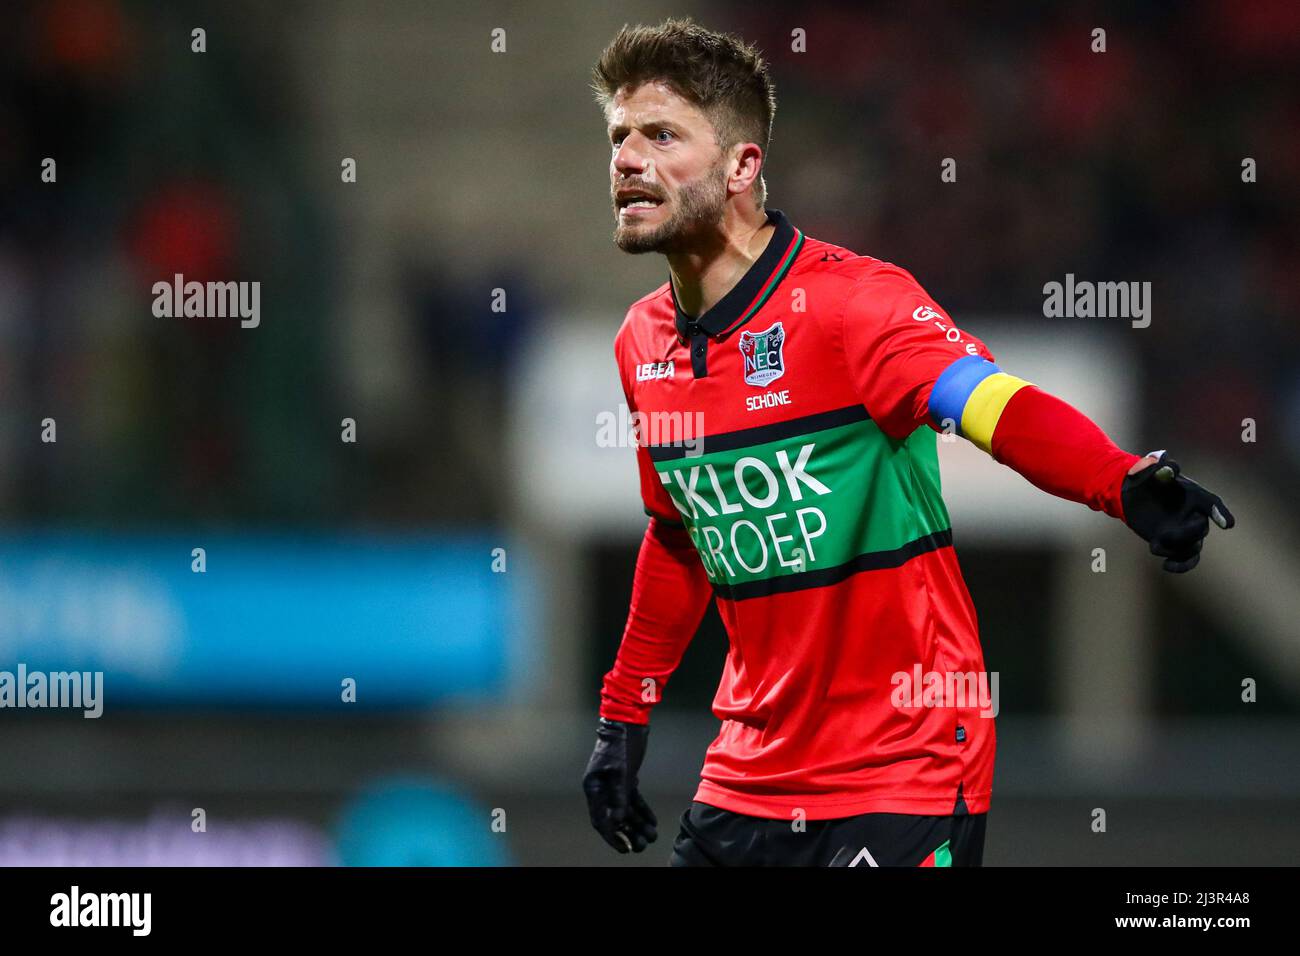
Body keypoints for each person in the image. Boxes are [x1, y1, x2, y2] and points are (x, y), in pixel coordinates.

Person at [581, 18, 1233, 867]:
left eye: (661, 134)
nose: (628, 158)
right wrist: (621, 718)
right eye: (619, 137)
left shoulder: (856, 305)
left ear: (742, 165)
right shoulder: (642, 343)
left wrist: (1121, 483)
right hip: (748, 777)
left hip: (903, 769)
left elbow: (986, 402)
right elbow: (677, 538)